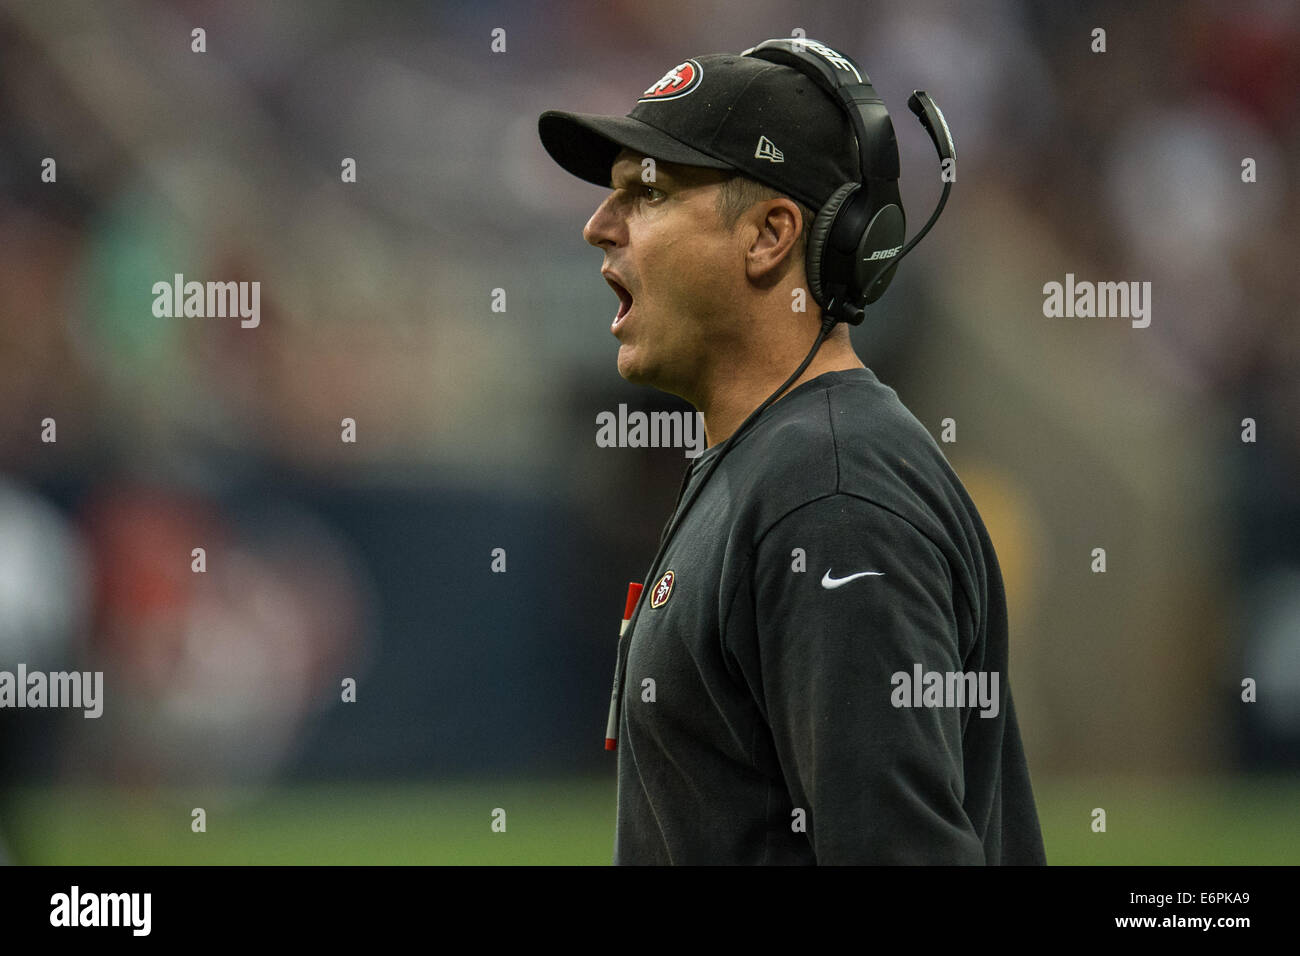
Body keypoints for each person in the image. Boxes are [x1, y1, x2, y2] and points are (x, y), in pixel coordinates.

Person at [538, 42, 1047, 864]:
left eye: (649, 191)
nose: (599, 224)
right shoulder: (781, 466)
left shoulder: (830, 496)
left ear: (771, 236)